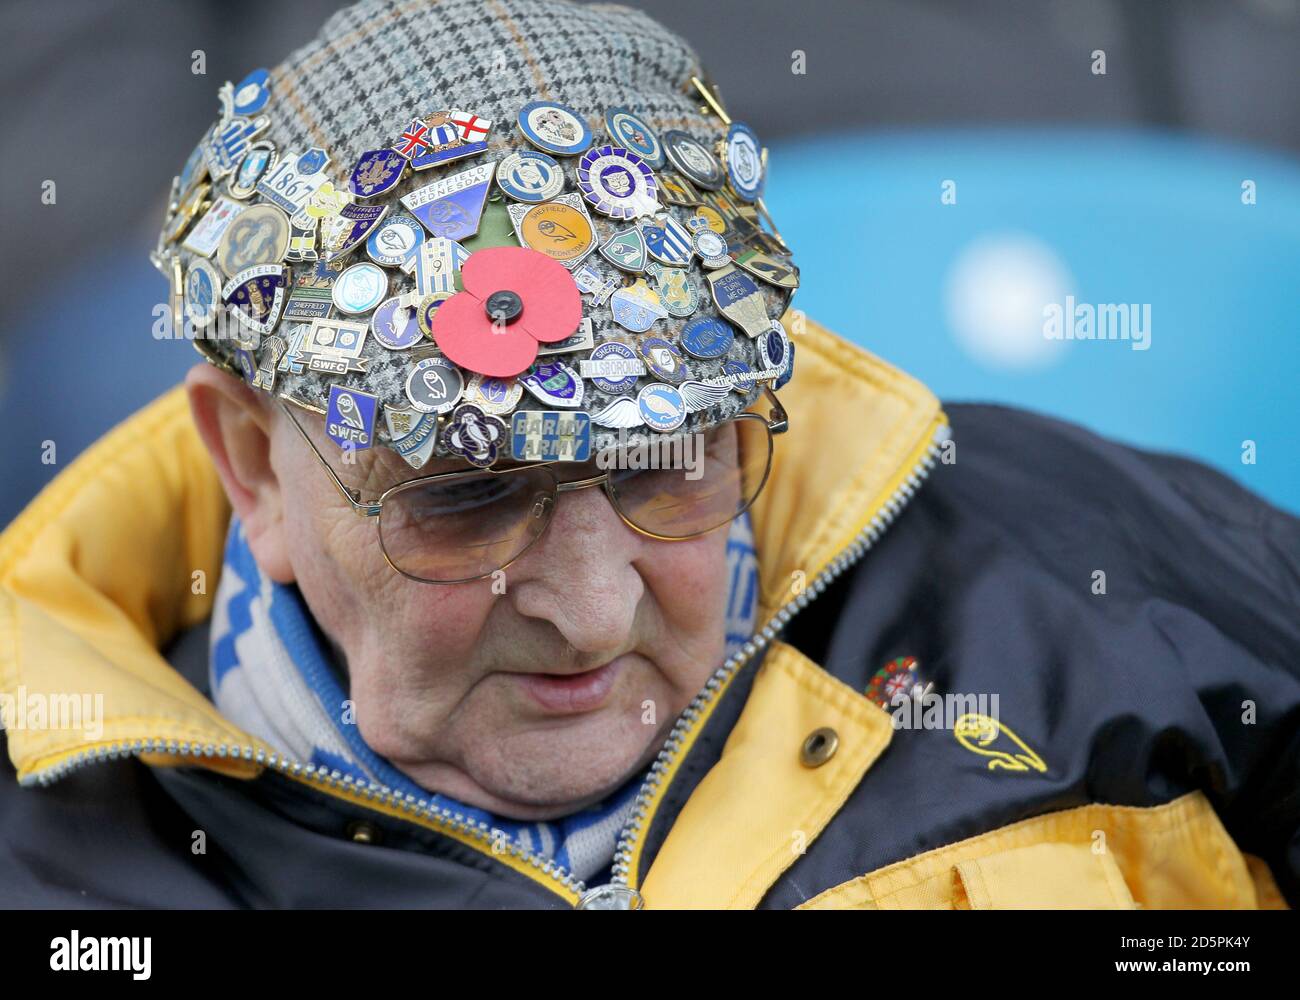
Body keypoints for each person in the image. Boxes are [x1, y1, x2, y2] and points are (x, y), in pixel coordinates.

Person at [1, 0, 1296, 910]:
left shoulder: (1092, 568)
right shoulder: (59, 864)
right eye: (469, 496)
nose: (594, 607)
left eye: (670, 462)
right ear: (248, 462)